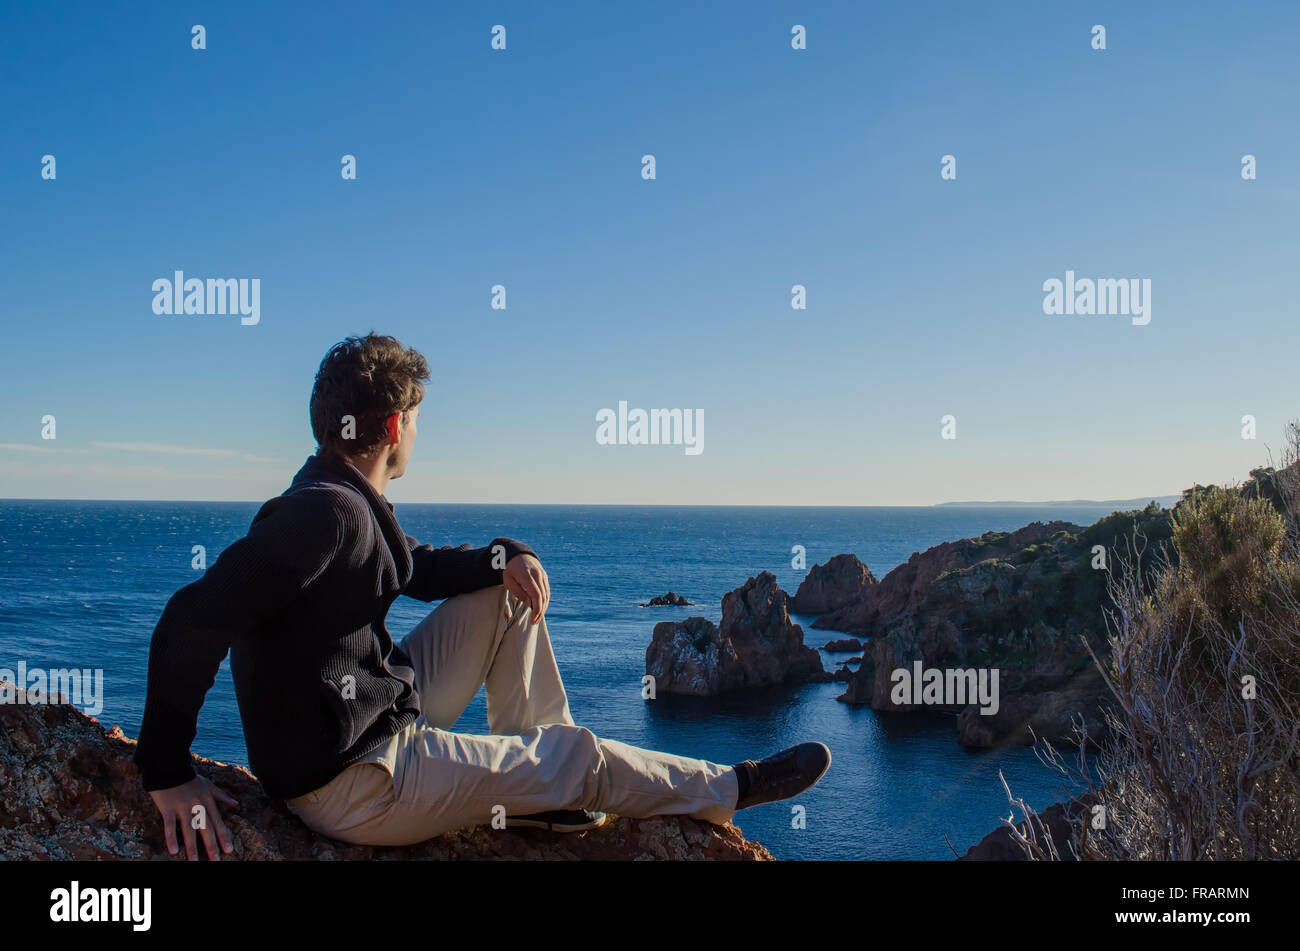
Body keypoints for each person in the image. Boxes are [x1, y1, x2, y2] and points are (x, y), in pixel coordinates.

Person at [134, 332, 831, 860]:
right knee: (582, 759)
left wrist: (508, 557)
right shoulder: (328, 515)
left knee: (505, 596)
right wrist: (167, 771)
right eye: (415, 417)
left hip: (370, 721)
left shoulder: (336, 497)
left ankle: (548, 794)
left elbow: (417, 568)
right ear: (394, 427)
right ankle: (727, 786)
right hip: (358, 782)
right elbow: (192, 619)